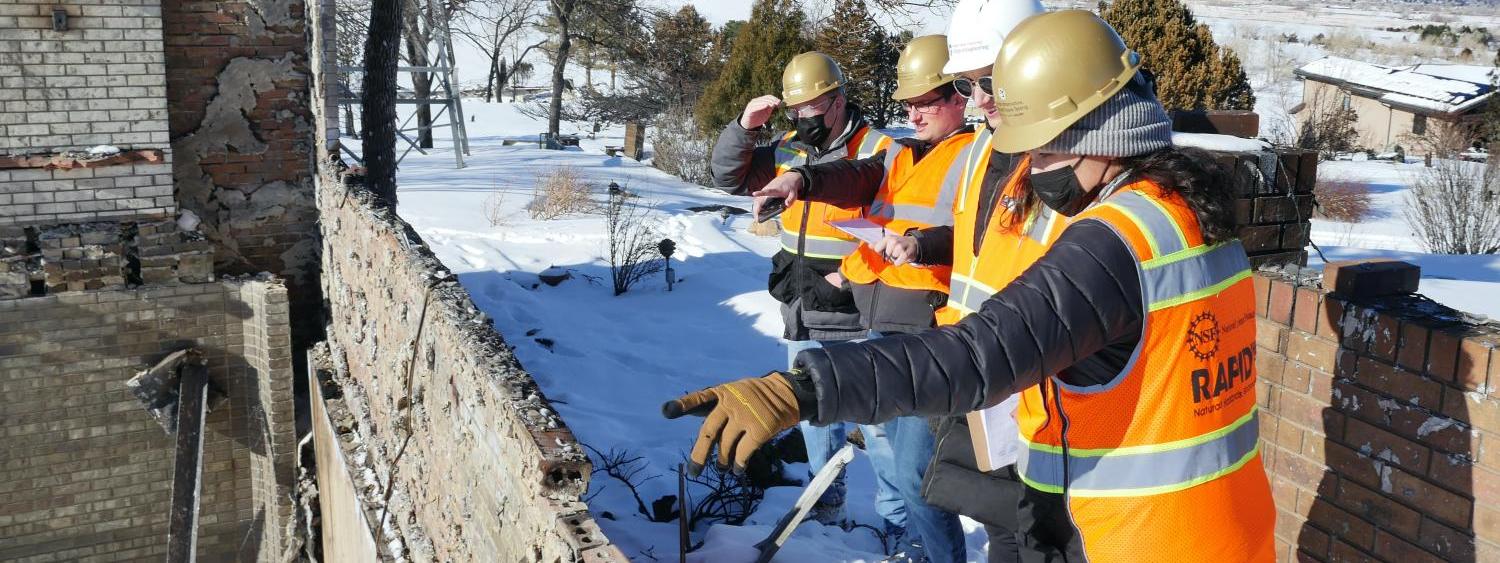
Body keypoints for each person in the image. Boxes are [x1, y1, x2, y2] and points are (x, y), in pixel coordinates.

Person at [666, 10, 1277, 563]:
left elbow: (980, 352)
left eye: (1039, 153)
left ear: (1099, 129)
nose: (1031, 174)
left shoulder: (1117, 239)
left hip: (1128, 535)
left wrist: (803, 389)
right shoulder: (1188, 213)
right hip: (1217, 527)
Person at [754, 1, 1044, 560]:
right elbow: (867, 185)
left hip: (939, 332)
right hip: (888, 325)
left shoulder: (979, 153)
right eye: (906, 104)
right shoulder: (906, 153)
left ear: (963, 95)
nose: (913, 114)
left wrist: (921, 245)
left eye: (926, 101)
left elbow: (972, 233)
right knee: (921, 473)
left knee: (923, 477)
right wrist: (804, 181)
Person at [708, 52, 902, 538]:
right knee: (814, 415)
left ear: (837, 101)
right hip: (802, 306)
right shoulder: (790, 146)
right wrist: (744, 128)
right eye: (795, 111)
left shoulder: (880, 147)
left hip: (858, 309)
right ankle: (826, 503)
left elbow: (882, 206)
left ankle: (900, 526)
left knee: (876, 425)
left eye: (811, 109)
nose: (802, 119)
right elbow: (728, 177)